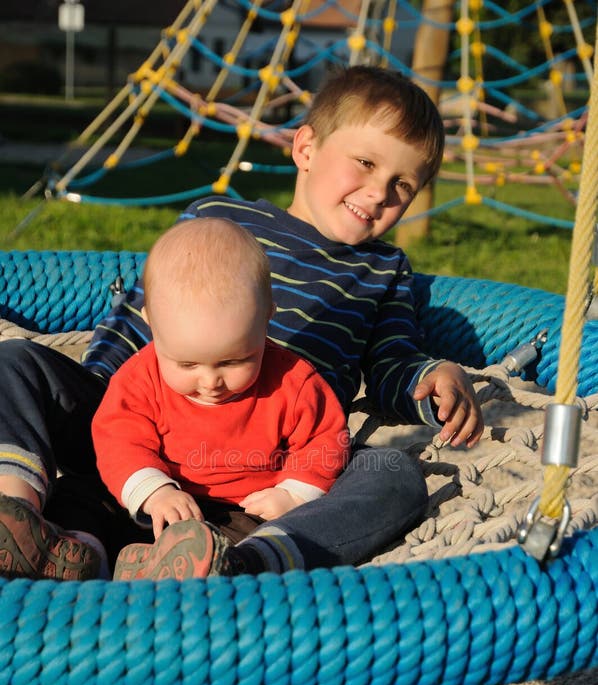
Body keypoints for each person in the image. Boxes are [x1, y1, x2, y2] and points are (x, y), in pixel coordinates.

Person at [0, 64, 483, 581]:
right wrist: (102, 394)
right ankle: (16, 512)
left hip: (266, 478)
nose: (379, 192)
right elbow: (147, 313)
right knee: (16, 362)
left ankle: (245, 561)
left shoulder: (382, 270)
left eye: (402, 184)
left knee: (395, 474)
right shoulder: (218, 219)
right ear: (306, 150)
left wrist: (428, 378)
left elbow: (390, 359)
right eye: (364, 162)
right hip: (141, 435)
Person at [92, 218, 349, 579]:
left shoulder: (293, 381)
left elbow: (324, 437)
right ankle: (82, 549)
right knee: (83, 496)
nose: (211, 381)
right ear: (152, 325)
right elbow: (118, 438)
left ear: (266, 320)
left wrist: (292, 493)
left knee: (250, 535)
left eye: (233, 361)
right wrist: (155, 491)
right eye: (187, 363)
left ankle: (190, 568)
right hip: (157, 501)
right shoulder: (140, 377)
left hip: (242, 511)